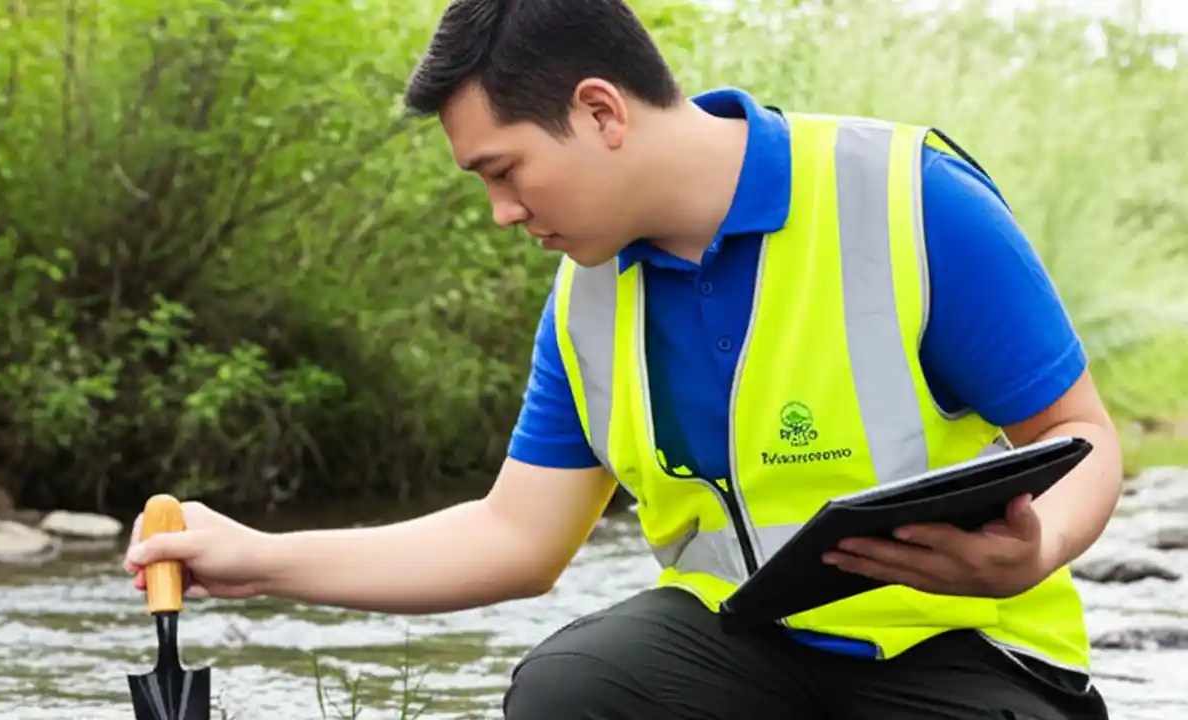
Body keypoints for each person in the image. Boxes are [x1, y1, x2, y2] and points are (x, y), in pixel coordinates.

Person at [123, 1, 1126, 717]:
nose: (501, 213)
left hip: (967, 655)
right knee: (572, 690)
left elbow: (1080, 437)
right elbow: (512, 538)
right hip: (742, 655)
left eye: (502, 171)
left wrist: (1032, 549)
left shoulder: (905, 196)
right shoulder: (584, 304)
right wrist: (258, 559)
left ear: (600, 111)